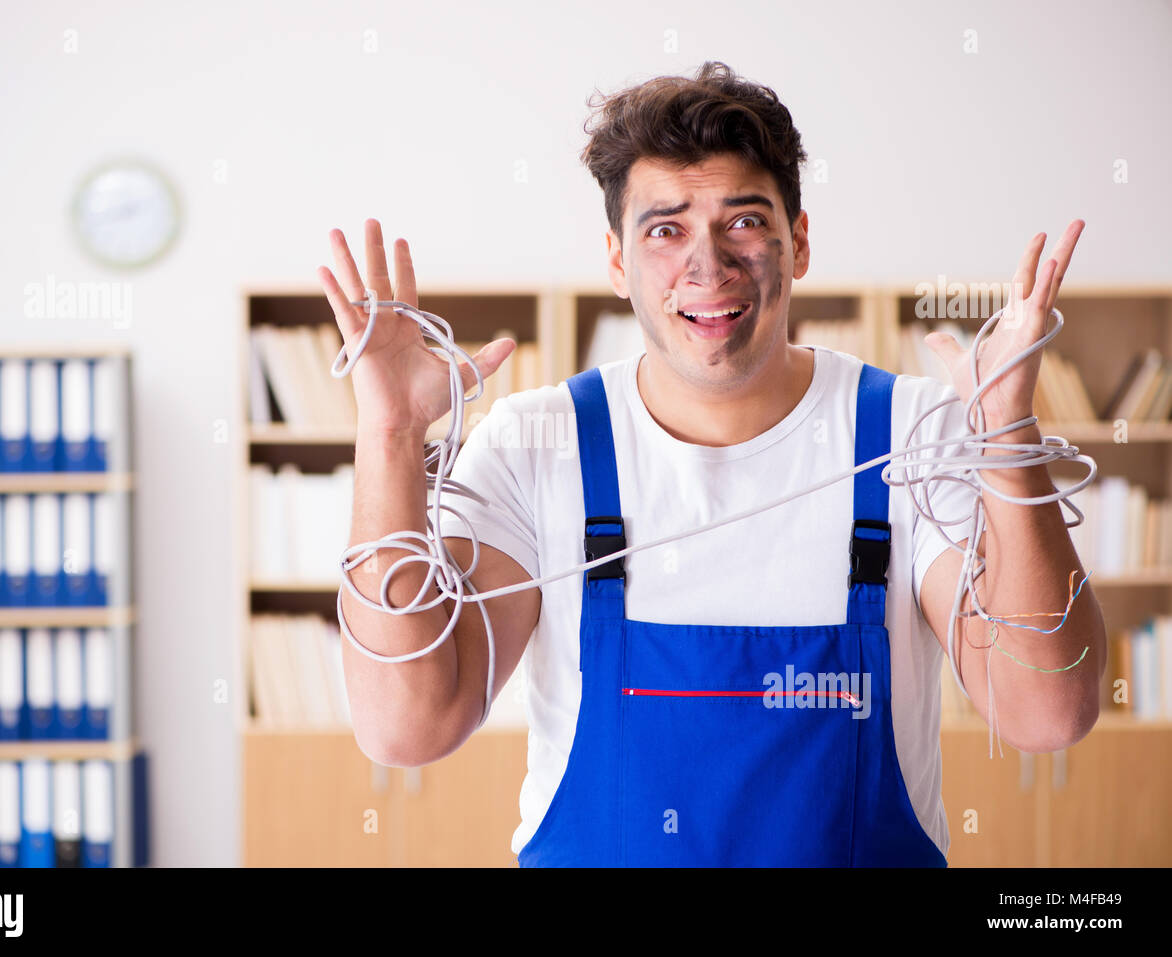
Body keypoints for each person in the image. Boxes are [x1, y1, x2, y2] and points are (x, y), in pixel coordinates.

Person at [318, 61, 1104, 867]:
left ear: (797, 243)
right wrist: (388, 433)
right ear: (618, 262)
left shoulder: (910, 433)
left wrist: (1008, 433)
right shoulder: (537, 444)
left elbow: (1047, 711)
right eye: (665, 228)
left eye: (744, 221)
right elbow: (403, 727)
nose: (709, 264)